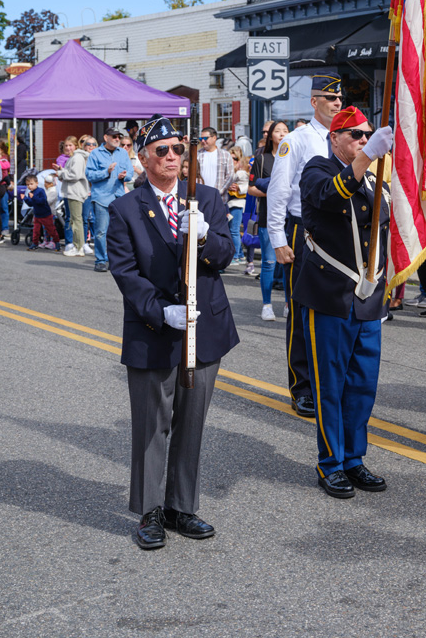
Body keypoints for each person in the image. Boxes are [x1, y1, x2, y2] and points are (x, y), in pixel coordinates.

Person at [107, 116, 239, 550]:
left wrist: (202, 237)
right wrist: (161, 311)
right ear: (143, 157)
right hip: (155, 328)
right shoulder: (126, 208)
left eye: (178, 150)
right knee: (152, 424)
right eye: (161, 150)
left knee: (191, 422)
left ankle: (182, 506)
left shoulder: (206, 198)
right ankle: (149, 511)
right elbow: (125, 272)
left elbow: (225, 254)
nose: (171, 157)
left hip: (203, 329)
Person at [293, 106, 393, 498]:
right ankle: (331, 462)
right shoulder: (317, 168)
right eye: (354, 135)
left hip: (368, 299)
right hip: (330, 295)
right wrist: (367, 160)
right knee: (330, 386)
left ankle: (354, 459)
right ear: (334, 138)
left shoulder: (376, 179)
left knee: (362, 386)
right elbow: (329, 196)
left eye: (367, 135)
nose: (363, 141)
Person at [266, 73, 344, 418]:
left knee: (336, 310)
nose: (337, 104)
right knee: (301, 311)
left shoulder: (346, 139)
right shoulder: (297, 140)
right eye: (330, 99)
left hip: (339, 232)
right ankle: (303, 386)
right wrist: (278, 239)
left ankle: (330, 382)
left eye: (340, 99)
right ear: (314, 102)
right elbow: (279, 191)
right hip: (304, 230)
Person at [248, 120, 290, 321]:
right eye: (278, 131)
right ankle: (267, 304)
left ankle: (289, 304)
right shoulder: (262, 158)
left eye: (285, 131)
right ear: (270, 135)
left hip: (292, 216)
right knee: (269, 262)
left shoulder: (293, 157)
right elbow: (251, 188)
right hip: (268, 216)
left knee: (291, 262)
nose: (282, 134)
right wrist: (275, 192)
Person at [85, 127, 133, 272]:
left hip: (119, 197)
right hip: (102, 197)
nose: (117, 139)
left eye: (119, 136)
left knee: (119, 232)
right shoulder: (95, 154)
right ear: (106, 138)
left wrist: (124, 176)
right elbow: (90, 175)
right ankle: (100, 260)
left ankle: (116, 260)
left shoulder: (123, 153)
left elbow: (130, 173)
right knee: (101, 231)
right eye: (114, 136)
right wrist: (106, 172)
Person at [58, 136, 94, 257]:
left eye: (70, 145)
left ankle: (78, 247)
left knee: (77, 220)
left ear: (76, 146)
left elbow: (75, 175)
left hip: (75, 192)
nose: (68, 148)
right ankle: (78, 246)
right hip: (75, 191)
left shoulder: (77, 157)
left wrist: (61, 173)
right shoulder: (77, 157)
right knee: (75, 219)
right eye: (66, 146)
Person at [24, 175, 61, 252]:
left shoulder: (41, 191)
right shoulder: (30, 193)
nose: (29, 186)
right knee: (36, 230)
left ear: (36, 183)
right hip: (37, 215)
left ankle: (57, 243)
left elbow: (42, 201)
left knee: (51, 229)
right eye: (27, 185)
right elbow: (31, 204)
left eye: (31, 184)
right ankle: (34, 243)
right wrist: (25, 199)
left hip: (46, 214)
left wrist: (33, 197)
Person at [197, 127, 233, 203]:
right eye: (201, 138)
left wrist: (219, 191)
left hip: (219, 198)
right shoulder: (198, 154)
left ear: (214, 138)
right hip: (201, 197)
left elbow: (230, 175)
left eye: (205, 138)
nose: (203, 141)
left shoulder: (225, 155)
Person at [227, 149, 249, 266]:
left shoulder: (241, 173)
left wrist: (239, 188)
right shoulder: (235, 171)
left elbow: (248, 186)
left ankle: (236, 256)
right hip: (232, 203)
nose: (232, 161)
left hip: (237, 203)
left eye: (234, 158)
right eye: (230, 158)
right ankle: (240, 254)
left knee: (234, 231)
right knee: (233, 230)